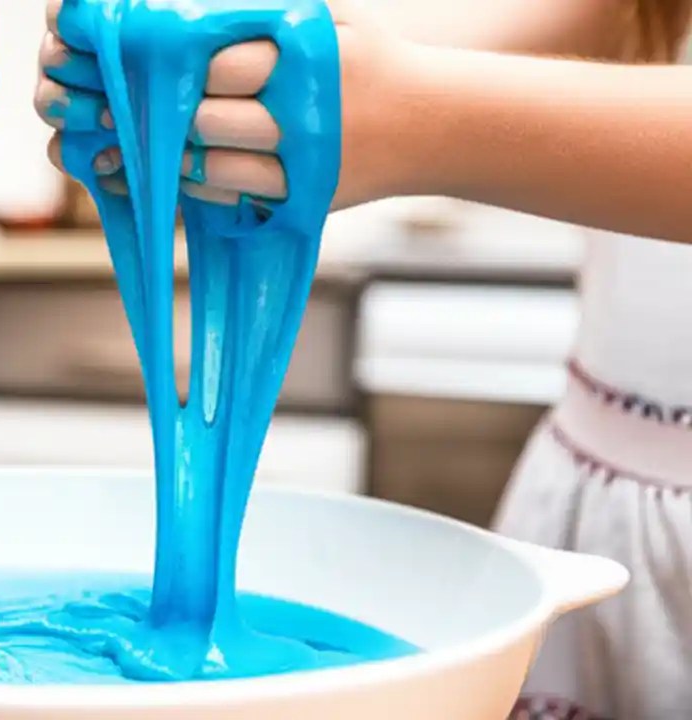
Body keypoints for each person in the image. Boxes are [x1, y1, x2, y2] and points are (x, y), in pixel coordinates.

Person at [35, 0, 692, 717]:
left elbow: (423, 96)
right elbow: (631, 16)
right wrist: (249, 61)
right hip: (590, 495)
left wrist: (421, 114)